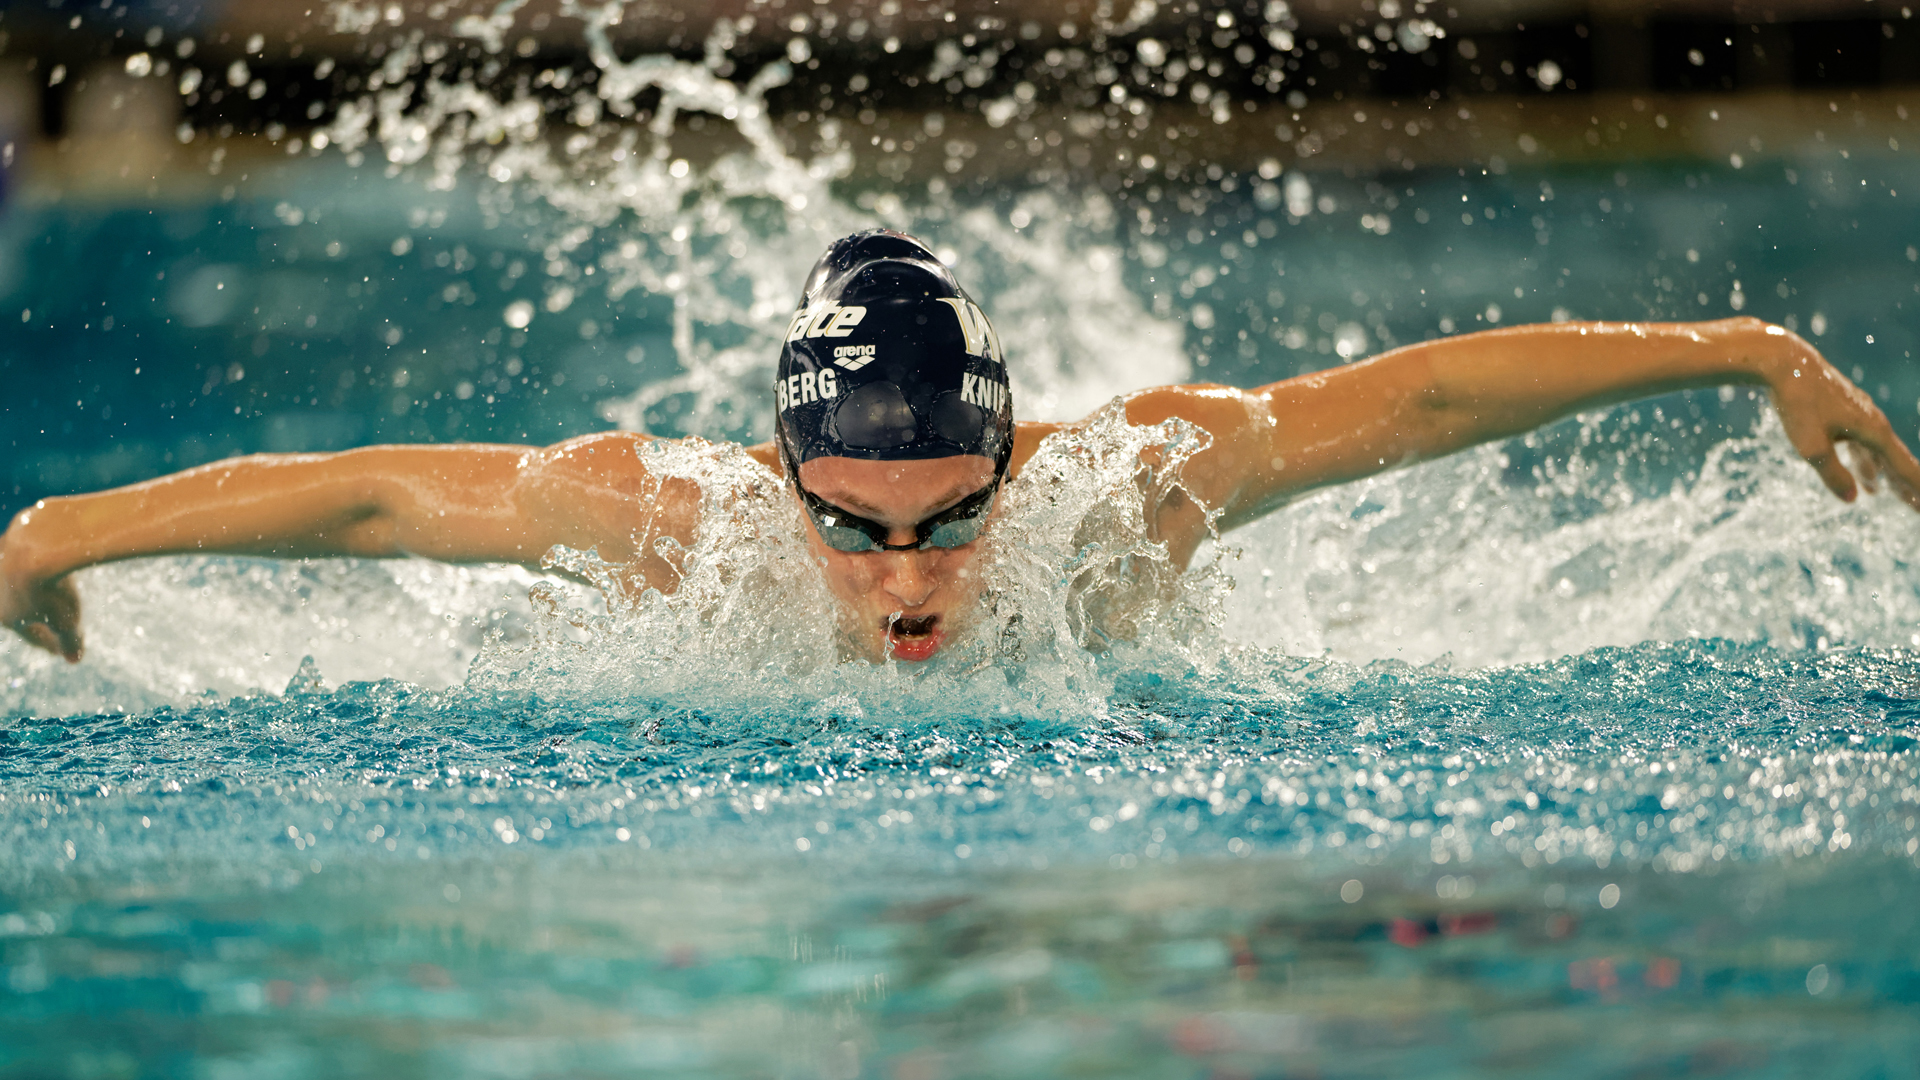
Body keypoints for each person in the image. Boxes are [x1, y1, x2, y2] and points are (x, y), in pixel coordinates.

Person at [4, 230, 1919, 665]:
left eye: (949, 525)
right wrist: (58, 531)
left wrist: (1747, 348)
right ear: (785, 480)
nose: (905, 582)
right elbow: (364, 493)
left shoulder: (1118, 494)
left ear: (1018, 467)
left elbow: (1408, 402)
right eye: (853, 532)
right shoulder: (680, 526)